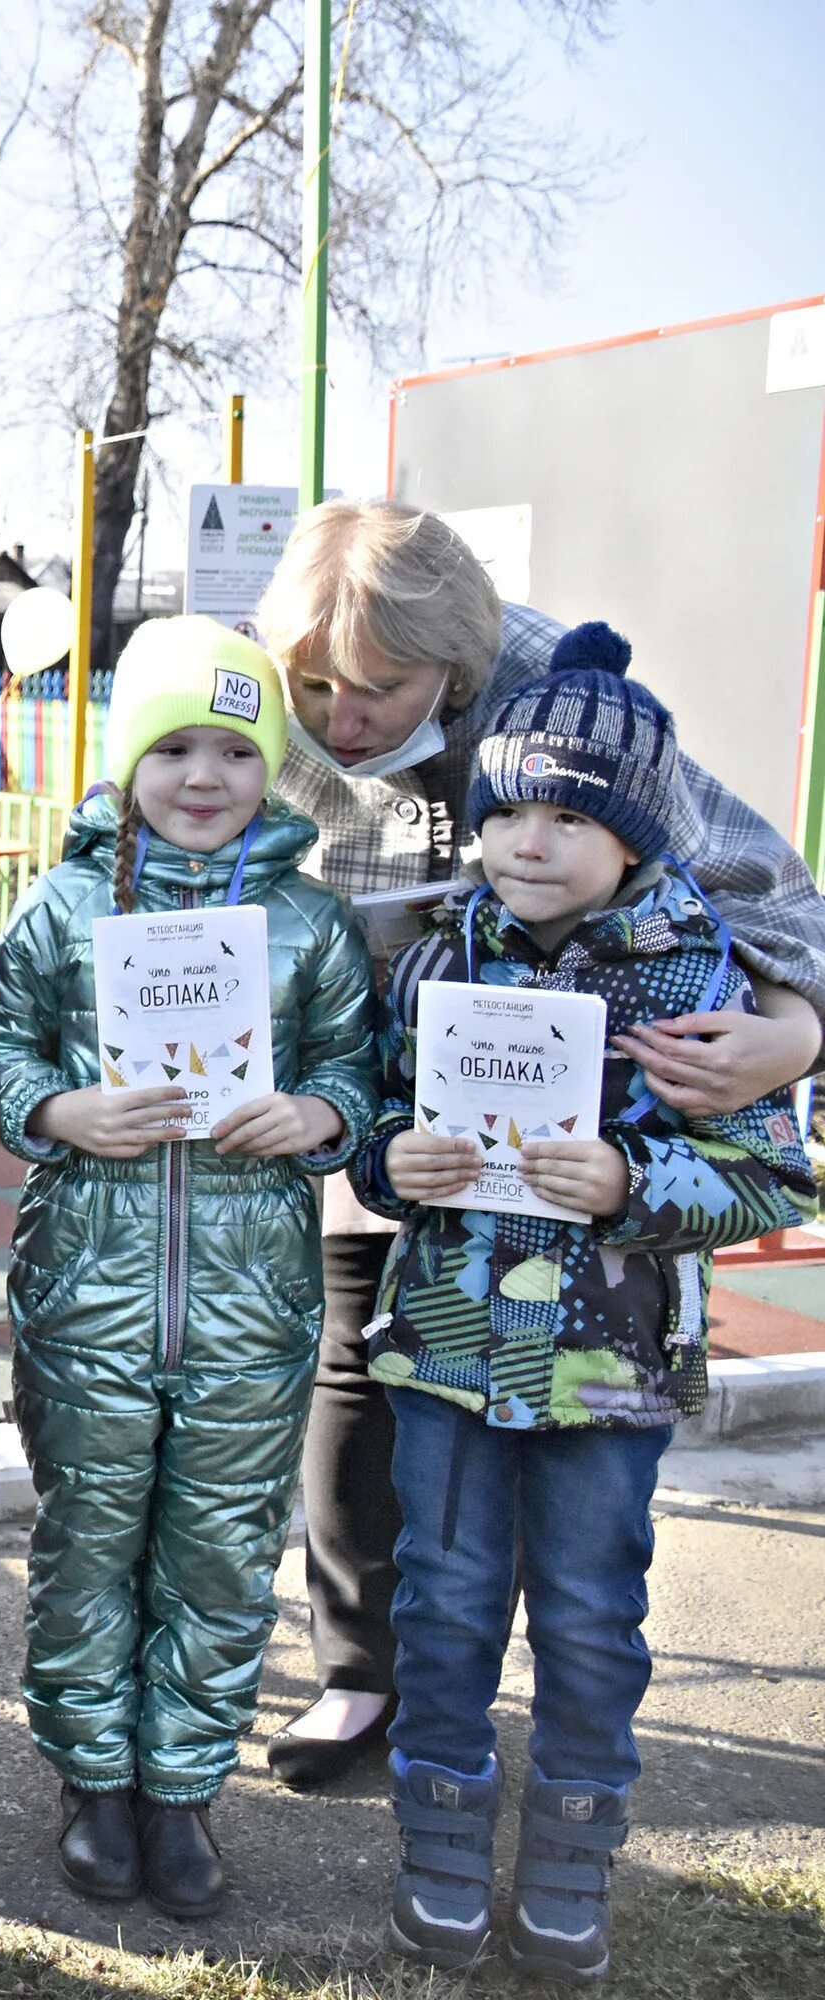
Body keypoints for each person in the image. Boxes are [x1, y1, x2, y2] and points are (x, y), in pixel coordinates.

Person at [257, 500, 825, 1786]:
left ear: (458, 668)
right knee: (360, 1358)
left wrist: (792, 1030)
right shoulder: (273, 696)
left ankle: (531, 1700)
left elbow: (758, 878)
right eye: (314, 687)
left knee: (559, 1457)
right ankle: (362, 1672)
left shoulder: (556, 687)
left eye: (381, 691)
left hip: (577, 1103)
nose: (341, 720)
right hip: (382, 1067)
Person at [352, 625, 814, 1981]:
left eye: (570, 816)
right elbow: (378, 1131)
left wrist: (630, 1178)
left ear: (637, 838)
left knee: (592, 1611)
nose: (530, 843)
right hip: (443, 1356)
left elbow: (773, 1176)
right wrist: (395, 1163)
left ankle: (571, 1856)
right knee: (440, 1604)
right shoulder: (438, 961)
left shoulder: (695, 980)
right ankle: (437, 1843)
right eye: (508, 811)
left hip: (607, 1374)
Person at [0, 618, 378, 1917]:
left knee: (218, 1552)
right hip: (90, 1294)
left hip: (252, 1309)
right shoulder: (69, 905)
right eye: (173, 749)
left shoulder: (308, 923)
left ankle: (183, 1787)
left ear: (270, 767)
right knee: (90, 1545)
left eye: (233, 751)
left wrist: (319, 1116)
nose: (204, 777)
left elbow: (358, 1069)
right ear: (126, 761)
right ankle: (96, 1783)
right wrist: (52, 1110)